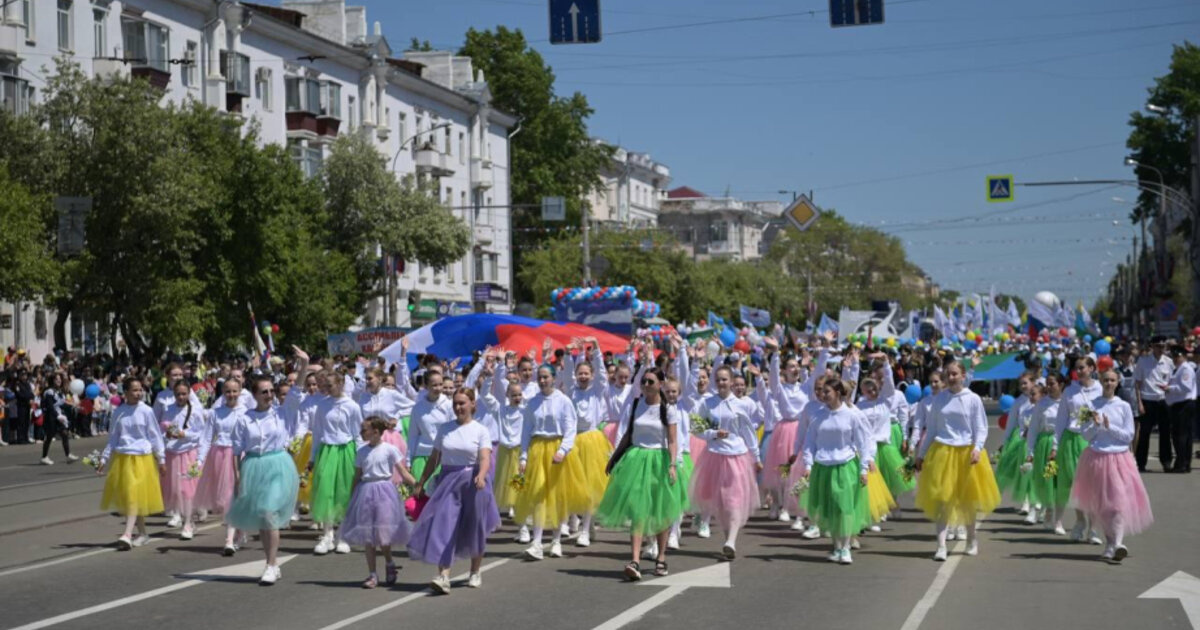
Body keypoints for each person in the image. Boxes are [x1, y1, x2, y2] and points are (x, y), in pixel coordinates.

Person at [407, 388, 500, 594]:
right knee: (443, 525)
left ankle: (475, 571)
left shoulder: (480, 430)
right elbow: (434, 458)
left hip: (474, 483)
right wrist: (422, 481)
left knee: (475, 527)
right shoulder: (445, 429)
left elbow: (485, 457)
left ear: (472, 404)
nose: (458, 407)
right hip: (448, 481)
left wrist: (482, 475)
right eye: (455, 403)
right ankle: (444, 576)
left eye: (462, 403)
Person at [597, 367, 684, 580]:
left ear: (660, 384)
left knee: (660, 512)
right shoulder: (636, 404)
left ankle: (661, 558)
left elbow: (673, 441)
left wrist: (672, 465)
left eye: (650, 382)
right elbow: (628, 434)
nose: (645, 385)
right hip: (636, 459)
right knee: (638, 511)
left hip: (659, 460)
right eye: (643, 381)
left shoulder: (668, 409)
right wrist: (615, 457)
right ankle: (634, 560)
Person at [915, 360, 1000, 561]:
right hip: (943, 451)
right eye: (948, 374)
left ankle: (971, 538)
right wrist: (921, 454)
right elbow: (932, 429)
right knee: (943, 501)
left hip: (966, 453)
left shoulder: (973, 399)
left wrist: (978, 448)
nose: (951, 378)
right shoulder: (939, 399)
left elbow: (981, 427)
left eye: (954, 374)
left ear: (963, 376)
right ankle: (941, 546)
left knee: (967, 500)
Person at [1071, 369, 1153, 562]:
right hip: (1097, 458)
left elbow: (1128, 436)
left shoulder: (1124, 406)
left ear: (1117, 383)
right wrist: (1095, 424)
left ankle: (1118, 544)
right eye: (1105, 380)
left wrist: (1109, 426)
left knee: (1118, 504)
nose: (1108, 383)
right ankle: (1110, 543)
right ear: (1101, 381)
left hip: (1119, 458)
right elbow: (1085, 435)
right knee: (1103, 506)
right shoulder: (1088, 406)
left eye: (1112, 380)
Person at [226, 376, 300, 585]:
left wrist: (303, 365)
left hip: (278, 465)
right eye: (264, 392)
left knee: (269, 512)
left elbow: (296, 392)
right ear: (255, 395)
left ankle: (270, 564)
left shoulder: (282, 413)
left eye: (271, 391)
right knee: (262, 516)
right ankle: (272, 563)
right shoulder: (244, 418)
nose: (269, 395)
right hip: (253, 466)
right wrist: (238, 476)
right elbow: (237, 449)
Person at [689, 365, 760, 560]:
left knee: (733, 500)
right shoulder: (707, 403)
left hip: (737, 455)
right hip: (714, 455)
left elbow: (748, 432)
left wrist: (756, 456)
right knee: (720, 502)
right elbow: (695, 429)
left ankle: (732, 541)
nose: (721, 383)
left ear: (731, 381)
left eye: (724, 379)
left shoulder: (740, 404)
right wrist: (712, 434)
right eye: (718, 379)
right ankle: (727, 538)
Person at [338, 416, 416, 589]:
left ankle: (389, 562)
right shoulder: (361, 451)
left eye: (364, 430)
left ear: (376, 432)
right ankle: (372, 574)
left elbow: (402, 472)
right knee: (368, 536)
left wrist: (417, 486)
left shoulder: (390, 449)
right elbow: (357, 476)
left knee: (383, 534)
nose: (361, 433)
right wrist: (352, 499)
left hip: (385, 491)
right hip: (365, 491)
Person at [801, 377, 871, 565]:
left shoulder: (851, 415)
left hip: (845, 465)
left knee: (844, 508)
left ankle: (846, 547)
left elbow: (863, 443)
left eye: (827, 392)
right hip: (823, 467)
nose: (822, 395)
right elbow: (809, 443)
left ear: (838, 393)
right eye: (822, 391)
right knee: (829, 509)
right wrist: (808, 465)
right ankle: (837, 547)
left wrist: (864, 468)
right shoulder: (818, 416)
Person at [515, 364, 579, 560]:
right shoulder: (532, 402)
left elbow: (570, 428)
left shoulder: (564, 401)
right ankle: (536, 542)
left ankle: (557, 540)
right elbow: (526, 430)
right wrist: (523, 456)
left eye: (546, 377)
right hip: (537, 449)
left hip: (557, 449)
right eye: (540, 377)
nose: (542, 381)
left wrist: (562, 450)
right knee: (537, 496)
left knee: (557, 496)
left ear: (553, 378)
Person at [96, 377, 165, 550]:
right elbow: (113, 437)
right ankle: (142, 533)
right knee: (131, 497)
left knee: (134, 496)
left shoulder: (147, 411)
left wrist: (161, 458)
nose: (138, 393)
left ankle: (127, 534)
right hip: (123, 459)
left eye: (140, 389)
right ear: (125, 392)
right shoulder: (119, 412)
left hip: (142, 459)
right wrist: (104, 458)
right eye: (134, 390)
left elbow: (155, 436)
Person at [308, 367, 364, 555]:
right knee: (326, 491)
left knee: (344, 491)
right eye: (325, 385)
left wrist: (362, 458)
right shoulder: (322, 405)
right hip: (327, 449)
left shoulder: (352, 406)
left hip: (346, 451)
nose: (327, 388)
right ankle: (327, 535)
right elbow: (317, 433)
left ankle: (344, 535)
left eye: (330, 385)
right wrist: (312, 457)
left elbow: (358, 434)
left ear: (341, 384)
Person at [1054, 356, 1103, 544]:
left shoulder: (1100, 388)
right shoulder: (1070, 391)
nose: (1079, 371)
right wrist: (1056, 445)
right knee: (1075, 484)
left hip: (1092, 441)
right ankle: (1080, 521)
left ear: (1092, 368)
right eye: (1077, 368)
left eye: (1083, 367)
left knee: (1093, 486)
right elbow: (1061, 419)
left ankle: (1094, 529)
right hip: (1071, 440)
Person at [197, 379, 246, 554]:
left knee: (235, 497)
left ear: (240, 391)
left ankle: (229, 539)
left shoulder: (245, 412)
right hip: (219, 456)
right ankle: (237, 533)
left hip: (239, 456)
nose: (231, 395)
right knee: (226, 498)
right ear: (223, 393)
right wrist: (199, 461)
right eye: (228, 392)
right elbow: (206, 438)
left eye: (234, 391)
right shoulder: (216, 413)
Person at [161, 382, 211, 540]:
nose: (181, 397)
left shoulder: (195, 411)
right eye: (178, 394)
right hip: (172, 454)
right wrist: (168, 435)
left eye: (184, 394)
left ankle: (188, 523)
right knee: (175, 491)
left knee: (186, 490)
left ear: (189, 393)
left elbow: (202, 434)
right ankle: (184, 518)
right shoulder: (169, 410)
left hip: (189, 453)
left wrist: (185, 435)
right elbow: (162, 431)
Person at [1027, 373, 1067, 531]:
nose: (1049, 387)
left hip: (1063, 445)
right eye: (1047, 384)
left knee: (1061, 481)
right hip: (1045, 446)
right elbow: (1033, 429)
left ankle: (1058, 519)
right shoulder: (1042, 404)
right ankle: (1049, 510)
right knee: (1049, 479)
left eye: (1053, 384)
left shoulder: (1067, 402)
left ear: (1061, 385)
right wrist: (1030, 451)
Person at [995, 373, 1037, 518]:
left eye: (1026, 383)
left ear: (1033, 382)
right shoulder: (1018, 402)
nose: (1023, 386)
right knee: (1025, 470)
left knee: (1044, 472)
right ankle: (1026, 500)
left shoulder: (1041, 398)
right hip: (1022, 440)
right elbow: (1011, 423)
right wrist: (1005, 442)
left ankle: (1042, 503)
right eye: (1021, 384)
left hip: (1040, 440)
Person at [1133, 336, 1173, 472]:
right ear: (1152, 346)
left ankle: (1166, 461)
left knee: (1165, 433)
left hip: (1163, 400)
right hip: (1147, 400)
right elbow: (1137, 384)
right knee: (1144, 433)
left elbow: (1171, 382)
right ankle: (1141, 463)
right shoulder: (1143, 361)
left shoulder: (1168, 362)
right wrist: (1139, 403)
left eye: (1163, 346)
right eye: (1158, 346)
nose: (1161, 349)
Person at [1164, 345, 1195, 473]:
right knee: (1181, 436)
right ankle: (1183, 463)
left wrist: (1169, 389)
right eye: (1173, 356)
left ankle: (1182, 464)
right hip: (1179, 404)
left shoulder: (1185, 369)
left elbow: (1186, 387)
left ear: (1183, 356)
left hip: (1184, 404)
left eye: (1177, 356)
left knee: (1181, 436)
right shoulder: (1178, 369)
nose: (1175, 359)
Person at [39, 373, 76, 465]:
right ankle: (44, 457)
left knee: (64, 433)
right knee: (49, 436)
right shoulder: (49, 392)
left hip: (59, 416)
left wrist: (73, 407)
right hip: (50, 417)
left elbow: (62, 404)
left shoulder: (60, 392)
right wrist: (57, 416)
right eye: (56, 379)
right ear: (52, 381)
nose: (59, 381)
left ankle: (68, 455)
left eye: (60, 379)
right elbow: (50, 406)